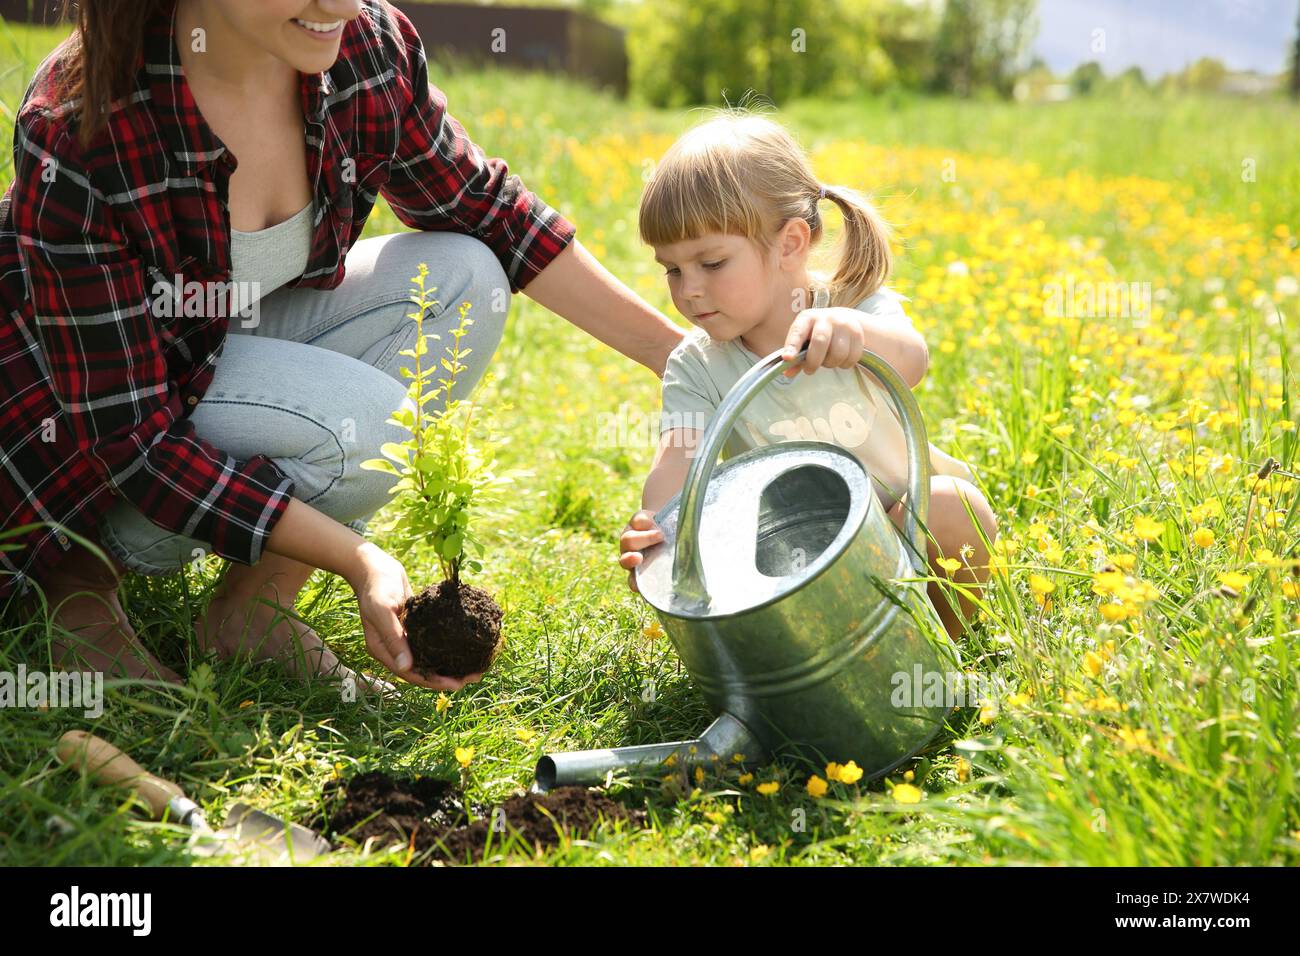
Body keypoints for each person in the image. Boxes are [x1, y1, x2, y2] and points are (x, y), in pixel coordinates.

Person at [0, 0, 692, 691]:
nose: (336, 4)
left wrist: (686, 361)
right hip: (77, 430)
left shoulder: (360, 48)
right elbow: (130, 438)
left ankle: (252, 611)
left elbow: (488, 212)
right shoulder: (82, 124)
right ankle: (77, 574)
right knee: (365, 423)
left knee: (463, 277)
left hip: (212, 353)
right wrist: (360, 559)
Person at [616, 111, 1000, 641]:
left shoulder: (853, 304)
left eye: (712, 263)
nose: (689, 290)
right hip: (794, 563)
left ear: (791, 243)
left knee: (957, 507)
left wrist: (856, 333)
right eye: (673, 270)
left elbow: (913, 361)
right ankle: (834, 654)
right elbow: (678, 460)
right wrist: (660, 527)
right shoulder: (697, 364)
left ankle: (937, 648)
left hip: (904, 531)